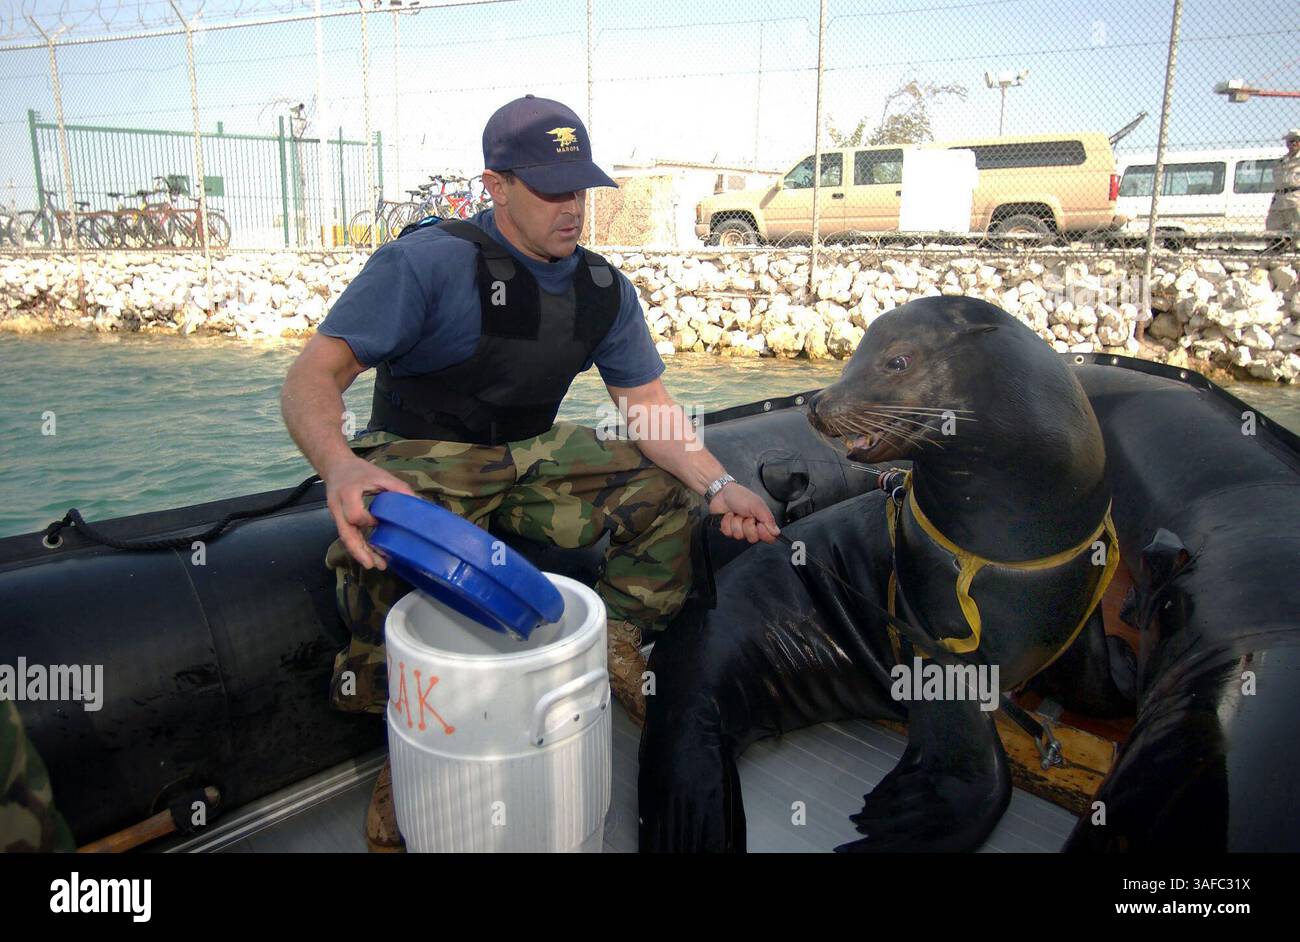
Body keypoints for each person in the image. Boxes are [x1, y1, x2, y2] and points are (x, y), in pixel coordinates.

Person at [280, 95, 779, 851]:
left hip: (535, 449)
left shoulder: (603, 289)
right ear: (496, 186)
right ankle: (407, 743)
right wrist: (340, 466)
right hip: (425, 454)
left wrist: (718, 484)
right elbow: (311, 377)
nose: (571, 208)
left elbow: (646, 407)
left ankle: (616, 638)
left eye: (578, 188)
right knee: (381, 549)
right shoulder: (423, 262)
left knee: (667, 493)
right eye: (550, 189)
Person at [1265, 128, 1300, 248]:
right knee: (1273, 231)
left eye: (1297, 140)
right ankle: (1277, 259)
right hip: (1279, 200)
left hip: (1296, 199)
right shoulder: (1281, 161)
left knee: (1296, 232)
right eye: (1291, 141)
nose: (1294, 143)